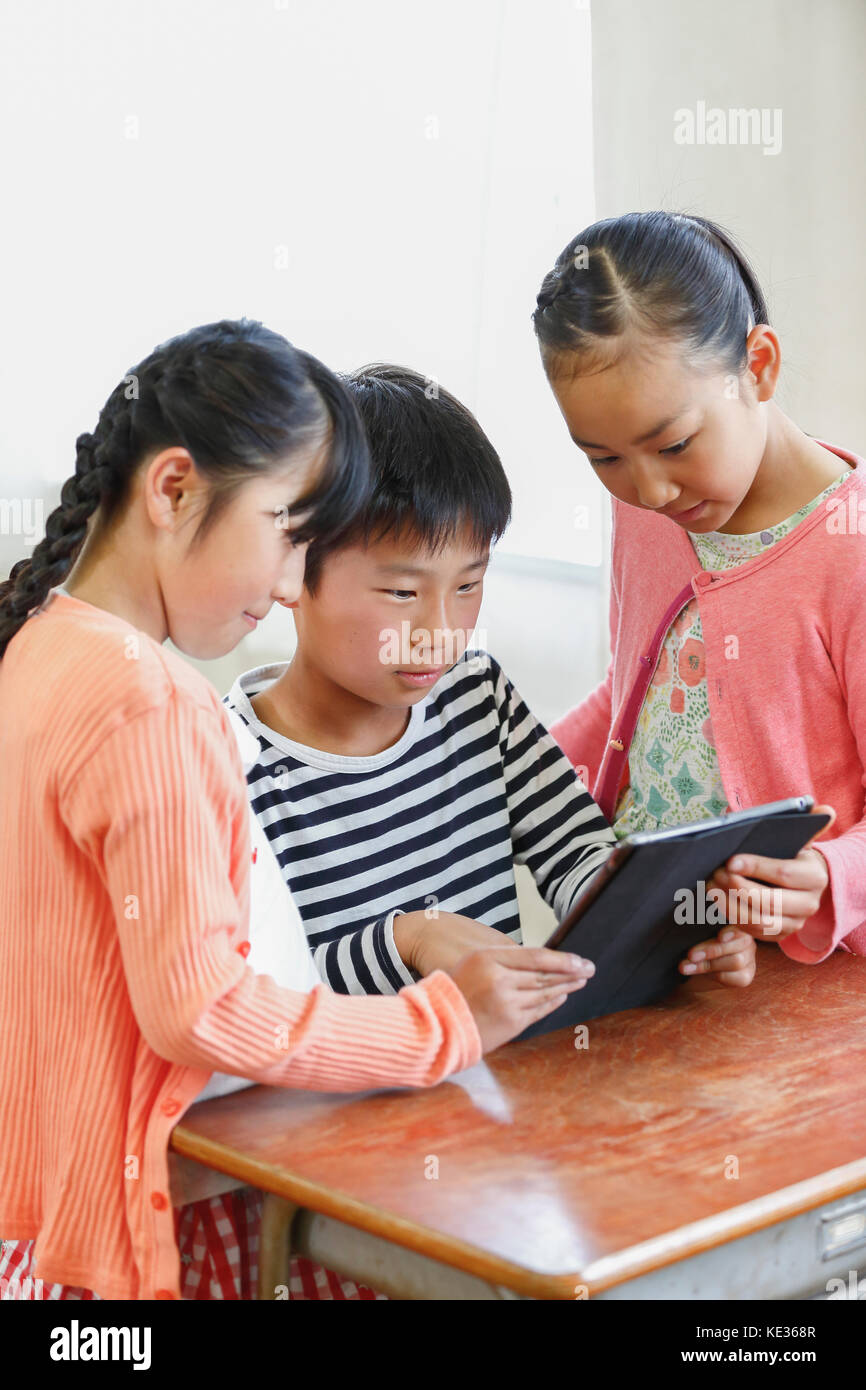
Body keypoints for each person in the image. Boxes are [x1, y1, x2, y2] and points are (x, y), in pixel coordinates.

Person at [0, 320, 593, 1302]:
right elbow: (203, 1007)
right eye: (284, 530)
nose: (284, 584)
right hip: (158, 1217)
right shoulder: (153, 704)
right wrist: (438, 1023)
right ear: (173, 489)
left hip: (52, 1220)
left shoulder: (38, 650)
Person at [220, 361, 757, 1297]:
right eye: (402, 594)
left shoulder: (475, 697)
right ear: (292, 570)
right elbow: (262, 1002)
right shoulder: (229, 763)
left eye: (468, 587)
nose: (442, 632)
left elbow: (581, 857)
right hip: (339, 1176)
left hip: (498, 1140)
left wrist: (676, 922)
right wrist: (406, 940)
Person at [531, 210, 860, 962]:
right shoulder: (652, 512)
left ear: (760, 366)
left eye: (674, 443)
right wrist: (520, 775)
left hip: (806, 980)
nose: (648, 489)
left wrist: (826, 873)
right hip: (661, 947)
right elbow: (641, 696)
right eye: (603, 458)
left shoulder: (851, 557)